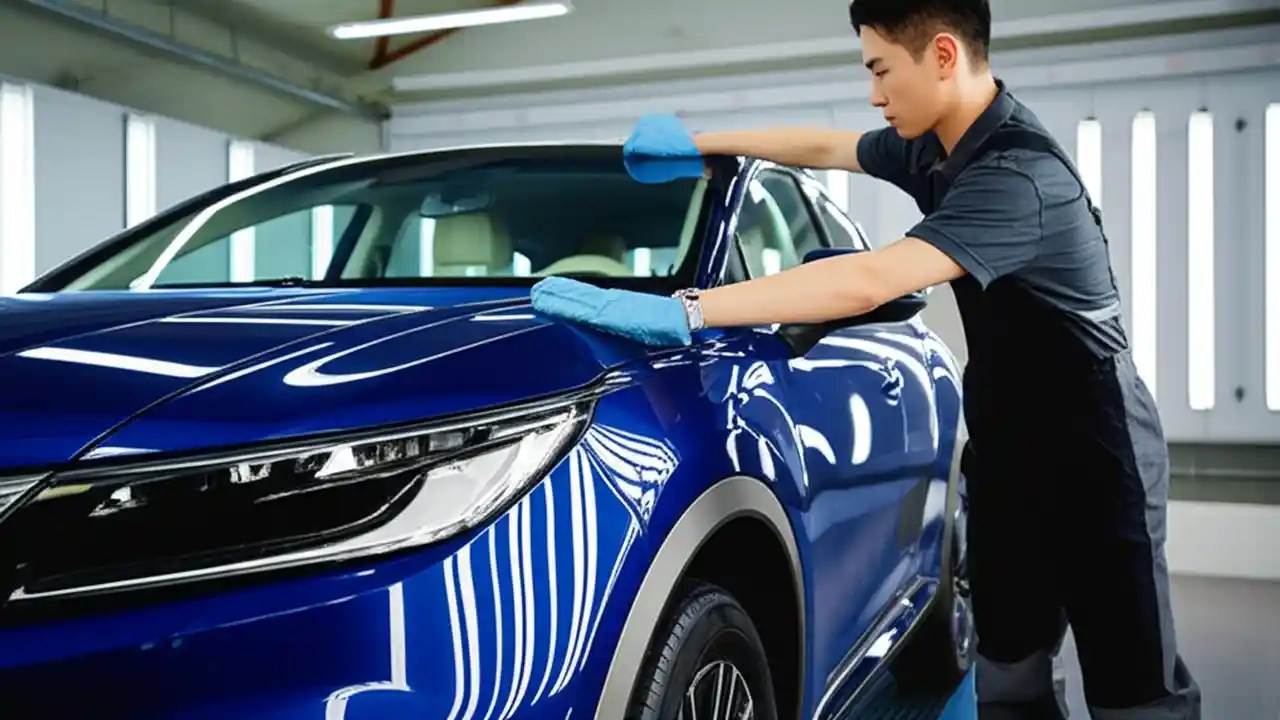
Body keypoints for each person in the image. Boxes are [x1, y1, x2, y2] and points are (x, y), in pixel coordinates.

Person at [530, 1, 1203, 718]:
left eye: (881, 70)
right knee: (1009, 668)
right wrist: (699, 144)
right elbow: (823, 148)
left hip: (1095, 444)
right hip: (1009, 436)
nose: (874, 92)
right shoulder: (937, 146)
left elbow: (869, 280)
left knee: (1134, 687)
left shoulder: (1018, 177)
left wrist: (686, 309)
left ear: (943, 55)